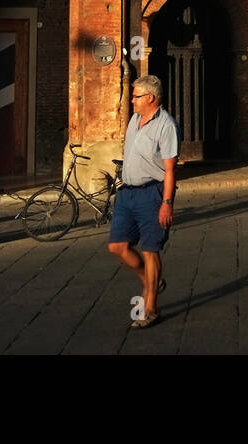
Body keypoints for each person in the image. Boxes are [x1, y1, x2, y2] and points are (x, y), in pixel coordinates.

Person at [106, 75, 178, 329]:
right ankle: (151, 282)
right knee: (117, 246)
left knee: (150, 250)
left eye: (136, 96)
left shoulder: (166, 125)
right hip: (127, 193)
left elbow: (170, 169)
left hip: (152, 193)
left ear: (150, 98)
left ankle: (151, 309)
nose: (132, 100)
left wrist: (167, 202)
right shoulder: (135, 120)